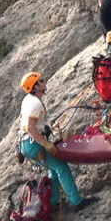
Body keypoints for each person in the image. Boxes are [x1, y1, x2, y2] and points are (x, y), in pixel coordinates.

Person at [18, 72, 96, 210]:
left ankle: (53, 202)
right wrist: (46, 144)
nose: (44, 81)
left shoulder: (28, 99)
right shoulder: (35, 103)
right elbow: (30, 127)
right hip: (34, 144)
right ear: (35, 86)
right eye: (41, 80)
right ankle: (76, 202)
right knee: (61, 167)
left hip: (26, 144)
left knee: (53, 169)